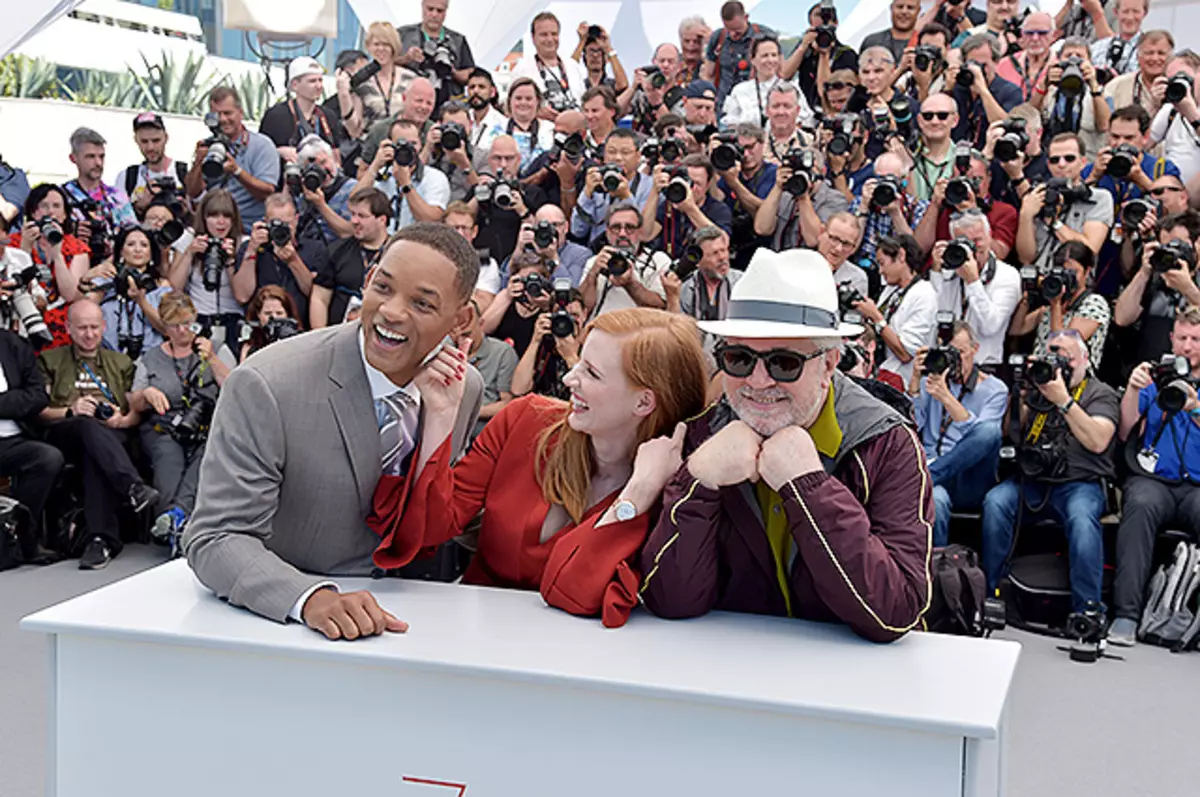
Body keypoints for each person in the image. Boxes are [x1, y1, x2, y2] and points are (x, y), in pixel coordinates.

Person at [184, 223, 484, 637]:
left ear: (461, 319)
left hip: (418, 631)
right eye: (383, 287)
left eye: (422, 303)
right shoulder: (268, 384)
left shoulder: (465, 387)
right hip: (293, 634)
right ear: (367, 279)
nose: (392, 311)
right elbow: (215, 537)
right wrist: (309, 598)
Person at [639, 248, 933, 643]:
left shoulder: (888, 444)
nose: (759, 381)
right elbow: (671, 601)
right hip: (727, 674)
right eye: (739, 358)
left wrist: (810, 488)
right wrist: (698, 484)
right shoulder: (698, 436)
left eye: (784, 363)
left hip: (850, 684)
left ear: (829, 362)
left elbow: (895, 613)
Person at [373, 307, 708, 627]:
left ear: (644, 402)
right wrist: (441, 416)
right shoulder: (524, 419)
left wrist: (637, 495)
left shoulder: (673, 489)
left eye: (591, 372)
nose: (569, 379)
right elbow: (427, 530)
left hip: (580, 665)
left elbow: (573, 591)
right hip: (472, 638)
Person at [981, 328, 1119, 614]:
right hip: (1034, 481)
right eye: (1052, 354)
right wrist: (1022, 396)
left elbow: (1098, 441)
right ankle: (991, 593)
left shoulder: (1100, 393)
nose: (1058, 364)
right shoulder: (1040, 389)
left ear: (1084, 358)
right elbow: (1015, 434)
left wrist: (1064, 401)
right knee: (996, 502)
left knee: (1083, 522)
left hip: (1079, 483)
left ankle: (1088, 611)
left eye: (1065, 357)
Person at [37, 300, 158, 569]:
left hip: (110, 438)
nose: (89, 334)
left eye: (94, 327)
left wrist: (121, 420)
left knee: (96, 451)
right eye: (81, 328)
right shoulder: (51, 360)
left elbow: (134, 411)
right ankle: (133, 487)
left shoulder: (120, 363)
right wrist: (71, 410)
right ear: (68, 328)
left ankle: (100, 540)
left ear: (104, 327)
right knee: (86, 424)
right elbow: (39, 412)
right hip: (64, 434)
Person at [1108, 305, 1200, 646]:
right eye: (1182, 338)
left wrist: (1195, 408)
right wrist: (1133, 389)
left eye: (1195, 340)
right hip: (1154, 480)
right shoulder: (1157, 374)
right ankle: (1126, 615)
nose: (1187, 347)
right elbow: (1125, 431)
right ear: (1172, 339)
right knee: (1140, 505)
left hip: (1197, 486)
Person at [127, 292, 233, 550]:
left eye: (188, 323)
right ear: (164, 325)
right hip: (164, 427)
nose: (183, 330)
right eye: (175, 325)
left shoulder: (215, 348)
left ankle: (175, 518)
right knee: (168, 466)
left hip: (205, 427)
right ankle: (179, 522)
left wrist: (212, 359)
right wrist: (146, 394)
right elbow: (134, 403)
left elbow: (235, 387)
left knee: (207, 457)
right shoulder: (150, 357)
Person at [911, 321, 1007, 547]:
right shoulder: (931, 382)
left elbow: (983, 438)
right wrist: (915, 383)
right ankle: (940, 577)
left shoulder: (995, 389)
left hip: (969, 475)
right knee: (936, 501)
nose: (956, 360)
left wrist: (946, 398)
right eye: (950, 353)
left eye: (961, 353)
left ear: (975, 349)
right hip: (935, 473)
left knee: (989, 431)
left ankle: (928, 476)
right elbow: (914, 425)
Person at [929, 209, 1022, 366]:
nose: (972, 248)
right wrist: (937, 272)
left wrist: (972, 281)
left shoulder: (1007, 275)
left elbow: (990, 326)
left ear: (989, 235)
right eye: (964, 242)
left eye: (977, 240)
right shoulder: (950, 271)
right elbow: (934, 315)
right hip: (946, 363)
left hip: (984, 367)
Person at [0, 329, 64, 552]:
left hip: (14, 438)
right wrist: (14, 399)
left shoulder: (12, 344)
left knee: (48, 457)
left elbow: (38, 396)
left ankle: (23, 535)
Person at [184, 87, 280, 232]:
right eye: (217, 115)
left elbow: (267, 192)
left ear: (240, 113)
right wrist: (198, 163)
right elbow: (193, 192)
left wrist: (237, 172)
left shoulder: (261, 145)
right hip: (213, 227)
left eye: (228, 113)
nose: (223, 119)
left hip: (249, 228)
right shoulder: (208, 145)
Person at [1016, 133, 1114, 272]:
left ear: (1083, 161)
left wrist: (1054, 223)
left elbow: (1090, 249)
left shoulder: (1099, 198)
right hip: (1038, 278)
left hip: (1075, 281)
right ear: (1048, 165)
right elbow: (1025, 258)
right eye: (1055, 160)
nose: (1061, 164)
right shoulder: (1037, 197)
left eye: (1069, 158)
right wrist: (1026, 215)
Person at [1114, 212, 1200, 369]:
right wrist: (1144, 272)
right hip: (1151, 375)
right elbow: (1121, 318)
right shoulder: (1153, 279)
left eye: (1178, 245)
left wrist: (1188, 288)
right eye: (1165, 246)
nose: (1171, 252)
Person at [10, 184, 92, 348]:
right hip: (22, 324)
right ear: (33, 212)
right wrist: (25, 250)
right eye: (44, 206)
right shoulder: (13, 242)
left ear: (64, 214)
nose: (50, 212)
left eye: (56, 206)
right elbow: (14, 284)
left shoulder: (77, 247)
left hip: (62, 329)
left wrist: (58, 254)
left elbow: (70, 294)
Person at [851, 234, 938, 386]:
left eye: (882, 263)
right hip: (881, 376)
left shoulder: (925, 294)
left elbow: (905, 354)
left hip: (905, 385)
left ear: (901, 255)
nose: (880, 271)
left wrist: (876, 317)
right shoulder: (890, 291)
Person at [167, 189, 247, 349]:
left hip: (233, 321)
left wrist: (230, 260)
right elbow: (174, 288)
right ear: (203, 217)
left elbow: (243, 296)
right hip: (197, 319)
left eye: (227, 216)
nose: (221, 222)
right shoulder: (189, 238)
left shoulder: (243, 243)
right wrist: (190, 253)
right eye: (214, 216)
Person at [232, 194, 326, 326]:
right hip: (260, 330)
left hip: (299, 329)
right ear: (265, 222)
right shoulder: (251, 248)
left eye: (286, 224)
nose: (281, 229)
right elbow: (242, 296)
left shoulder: (315, 248)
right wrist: (252, 250)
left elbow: (315, 294)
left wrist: (294, 261)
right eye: (276, 224)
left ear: (297, 219)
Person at [1012, 239, 1112, 361]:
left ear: (1087, 271)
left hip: (1075, 378)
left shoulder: (1095, 304)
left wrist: (1056, 304)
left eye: (1073, 272)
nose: (1067, 278)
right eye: (1063, 273)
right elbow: (1016, 329)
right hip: (1041, 376)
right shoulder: (1050, 309)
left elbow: (1062, 345)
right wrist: (1026, 299)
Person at [86, 225, 170, 359]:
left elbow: (167, 329)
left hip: (150, 359)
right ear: (121, 251)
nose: (137, 250)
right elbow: (84, 309)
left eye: (144, 245)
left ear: (151, 253)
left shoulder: (161, 285)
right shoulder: (107, 279)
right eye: (131, 244)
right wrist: (88, 277)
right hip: (109, 357)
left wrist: (141, 302)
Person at [312, 187, 391, 329]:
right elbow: (320, 297)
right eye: (352, 214)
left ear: (381, 220)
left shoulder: (396, 254)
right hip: (338, 334)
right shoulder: (337, 250)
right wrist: (321, 336)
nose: (354, 221)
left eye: (362, 216)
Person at [358, 118, 451, 233]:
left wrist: (406, 184)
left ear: (420, 144)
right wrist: (375, 165)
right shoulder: (382, 175)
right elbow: (354, 203)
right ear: (390, 145)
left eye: (413, 143)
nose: (408, 149)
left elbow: (431, 220)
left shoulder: (435, 178)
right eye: (401, 144)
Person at [662, 225, 743, 353]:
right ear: (698, 261)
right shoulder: (686, 288)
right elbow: (676, 335)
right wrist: (672, 297)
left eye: (724, 250)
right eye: (714, 253)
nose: (722, 257)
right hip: (696, 356)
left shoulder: (741, 282)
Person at [581, 203, 670, 318]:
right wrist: (592, 276)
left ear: (639, 231)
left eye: (630, 228)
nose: (622, 234)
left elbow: (661, 307)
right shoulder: (595, 261)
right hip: (602, 329)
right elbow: (582, 308)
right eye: (616, 228)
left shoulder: (658, 260)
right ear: (607, 231)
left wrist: (630, 284)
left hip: (641, 331)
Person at [61, 127, 136, 263]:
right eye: (90, 157)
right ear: (73, 158)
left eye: (101, 156)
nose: (98, 163)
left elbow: (134, 236)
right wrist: (71, 232)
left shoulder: (116, 197)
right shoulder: (60, 197)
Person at [471, 136, 549, 264]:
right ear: (489, 161)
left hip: (522, 262)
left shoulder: (533, 193)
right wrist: (479, 194)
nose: (503, 164)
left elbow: (544, 232)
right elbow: (460, 219)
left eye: (509, 158)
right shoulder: (481, 189)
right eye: (497, 158)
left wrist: (522, 209)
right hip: (484, 261)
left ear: (518, 160)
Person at [930, 148, 1020, 261]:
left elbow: (998, 254)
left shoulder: (1005, 212)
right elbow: (921, 249)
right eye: (963, 180)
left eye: (976, 180)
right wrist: (934, 204)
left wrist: (972, 212)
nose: (970, 187)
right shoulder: (946, 208)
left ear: (989, 177)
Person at [570, 128, 653, 246]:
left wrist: (626, 196)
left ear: (638, 156)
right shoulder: (597, 181)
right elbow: (577, 230)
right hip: (596, 251)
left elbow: (642, 232)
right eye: (612, 152)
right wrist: (587, 193)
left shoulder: (648, 186)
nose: (618, 158)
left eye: (625, 152)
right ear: (604, 155)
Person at [641, 154, 733, 258]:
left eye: (697, 183)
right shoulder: (668, 206)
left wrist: (691, 209)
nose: (691, 188)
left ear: (707, 185)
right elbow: (645, 234)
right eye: (688, 181)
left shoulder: (719, 209)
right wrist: (654, 191)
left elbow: (722, 242)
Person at [755, 151, 850, 252]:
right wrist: (777, 187)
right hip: (779, 260)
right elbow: (762, 228)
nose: (805, 174)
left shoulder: (835, 199)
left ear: (823, 171)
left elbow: (813, 240)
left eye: (810, 170)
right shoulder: (785, 194)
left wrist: (803, 197)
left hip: (809, 263)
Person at [714, 122, 777, 269]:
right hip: (732, 249)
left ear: (762, 144)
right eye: (741, 149)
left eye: (750, 147)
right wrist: (715, 164)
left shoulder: (773, 174)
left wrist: (734, 184)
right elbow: (715, 200)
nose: (746, 155)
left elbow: (762, 211)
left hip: (762, 250)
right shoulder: (728, 172)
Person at [1035, 38, 1111, 158]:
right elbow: (1031, 116)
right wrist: (1044, 84)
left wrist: (1094, 86)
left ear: (1090, 62)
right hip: (1052, 158)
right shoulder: (1049, 92)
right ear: (1058, 60)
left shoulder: (1101, 94)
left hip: (1086, 158)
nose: (1073, 60)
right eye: (1068, 55)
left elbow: (1104, 126)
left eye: (1079, 56)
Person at [509, 287, 587, 403]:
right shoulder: (544, 345)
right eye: (560, 317)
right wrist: (535, 341)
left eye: (574, 315)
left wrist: (571, 357)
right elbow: (518, 389)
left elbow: (590, 394)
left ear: (584, 314)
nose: (567, 322)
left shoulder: (592, 346)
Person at [949, 33, 1024, 150]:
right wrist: (947, 90)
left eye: (983, 65)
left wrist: (983, 90)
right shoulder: (958, 88)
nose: (978, 69)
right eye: (973, 63)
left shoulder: (1011, 91)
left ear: (996, 62)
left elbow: (1005, 127)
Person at [397, 0, 475, 110]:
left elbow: (471, 75)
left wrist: (451, 70)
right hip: (409, 103)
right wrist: (406, 59)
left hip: (448, 106)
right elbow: (385, 64)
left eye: (439, 11)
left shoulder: (458, 40)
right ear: (422, 7)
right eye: (430, 9)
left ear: (446, 12)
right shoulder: (403, 35)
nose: (434, 14)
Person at [454, 299, 516, 438]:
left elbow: (507, 403)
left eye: (467, 334)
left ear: (481, 324)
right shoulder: (445, 347)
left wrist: (470, 411)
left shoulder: (502, 352)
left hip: (480, 431)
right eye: (457, 334)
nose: (462, 340)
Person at [780, 2, 859, 110]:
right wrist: (802, 47)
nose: (822, 19)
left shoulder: (846, 54)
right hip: (808, 111)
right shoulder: (805, 52)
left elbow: (826, 93)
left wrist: (824, 54)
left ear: (836, 23)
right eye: (818, 15)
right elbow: (785, 75)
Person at [258, 57, 340, 162]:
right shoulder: (275, 116)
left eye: (320, 80)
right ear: (295, 85)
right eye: (312, 81)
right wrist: (279, 152)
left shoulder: (328, 117)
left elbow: (337, 160)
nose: (319, 86)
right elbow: (259, 153)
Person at [346, 21, 417, 138]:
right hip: (370, 144)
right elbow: (355, 127)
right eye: (376, 44)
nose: (381, 49)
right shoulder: (361, 81)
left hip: (403, 143)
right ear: (369, 47)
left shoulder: (410, 78)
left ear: (394, 47)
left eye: (386, 44)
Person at [511, 12, 589, 119]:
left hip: (576, 131)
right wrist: (536, 112)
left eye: (554, 34)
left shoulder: (573, 66)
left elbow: (585, 102)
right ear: (533, 38)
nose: (550, 39)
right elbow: (509, 108)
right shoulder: (522, 69)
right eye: (544, 34)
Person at [721, 37, 808, 128]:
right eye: (765, 56)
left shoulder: (792, 89)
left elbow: (802, 122)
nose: (770, 60)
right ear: (753, 59)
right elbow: (731, 125)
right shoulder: (740, 90)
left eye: (774, 55)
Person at [702, 1, 775, 108]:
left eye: (737, 30)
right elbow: (708, 74)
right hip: (723, 105)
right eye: (728, 29)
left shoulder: (765, 35)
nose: (732, 34)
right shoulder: (718, 38)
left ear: (746, 18)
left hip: (755, 104)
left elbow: (778, 70)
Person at [122, 112, 190, 219]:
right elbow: (118, 218)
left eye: (156, 141)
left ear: (166, 138)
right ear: (136, 140)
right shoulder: (127, 177)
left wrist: (186, 212)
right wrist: (139, 206)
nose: (150, 147)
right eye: (144, 141)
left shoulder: (184, 173)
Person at [1149, 51, 1200, 192]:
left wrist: (1191, 113)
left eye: (1184, 77)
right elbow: (1142, 143)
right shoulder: (1170, 111)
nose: (1180, 83)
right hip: (1172, 197)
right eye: (1172, 79)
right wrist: (1153, 106)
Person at [292, 135, 355, 243]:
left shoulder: (351, 188)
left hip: (337, 253)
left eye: (323, 162)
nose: (321, 171)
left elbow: (349, 232)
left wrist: (320, 205)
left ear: (333, 158)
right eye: (313, 168)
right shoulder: (304, 191)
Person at [1103, 30, 1173, 124]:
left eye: (1161, 53)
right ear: (1138, 57)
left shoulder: (1180, 88)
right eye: (1149, 53)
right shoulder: (1116, 86)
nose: (1155, 58)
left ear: (1171, 57)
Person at [995, 11, 1055, 104]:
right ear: (1022, 35)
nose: (1035, 38)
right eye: (1029, 33)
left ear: (1053, 35)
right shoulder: (1004, 65)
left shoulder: (1060, 65)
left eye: (1042, 33)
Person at [910, 93, 960, 200]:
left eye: (942, 116)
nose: (934, 121)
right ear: (919, 120)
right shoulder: (906, 157)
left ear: (955, 120)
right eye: (927, 116)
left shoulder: (969, 158)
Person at [240, 285, 302, 363]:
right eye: (268, 313)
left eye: (279, 313)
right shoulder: (249, 346)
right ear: (258, 314)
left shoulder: (298, 341)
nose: (274, 318)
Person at [818, 212, 870, 298]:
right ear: (821, 232)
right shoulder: (798, 263)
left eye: (846, 244)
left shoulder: (857, 278)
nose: (838, 248)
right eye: (834, 239)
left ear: (853, 249)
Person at [1090, 0, 1147, 78]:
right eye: (1125, 11)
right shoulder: (1096, 49)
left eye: (1136, 11)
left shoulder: (1151, 52)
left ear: (1145, 13)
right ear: (1116, 12)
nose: (1130, 17)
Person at [761, 82, 813, 165]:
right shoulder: (756, 146)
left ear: (797, 110)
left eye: (787, 106)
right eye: (775, 106)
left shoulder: (811, 143)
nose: (781, 112)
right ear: (767, 110)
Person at [574, 23, 629, 95]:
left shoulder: (611, 85)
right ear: (584, 57)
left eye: (599, 51)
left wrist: (608, 48)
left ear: (606, 58)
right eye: (591, 51)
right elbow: (569, 70)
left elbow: (623, 85)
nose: (595, 55)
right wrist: (582, 41)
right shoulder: (580, 86)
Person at [861, 0, 921, 64]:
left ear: (918, 11)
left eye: (910, 8)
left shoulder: (924, 42)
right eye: (900, 7)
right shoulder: (872, 41)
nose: (904, 11)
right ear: (891, 8)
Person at [580, 86, 619, 153]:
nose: (589, 116)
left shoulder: (629, 141)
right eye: (586, 111)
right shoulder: (576, 141)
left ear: (612, 111)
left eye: (595, 111)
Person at [678, 16, 712, 86]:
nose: (691, 45)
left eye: (696, 41)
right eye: (687, 41)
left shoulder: (710, 65)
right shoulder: (673, 64)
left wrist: (712, 42)